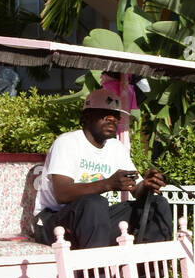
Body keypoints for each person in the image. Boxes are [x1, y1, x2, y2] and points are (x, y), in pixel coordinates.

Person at [33, 87, 173, 248]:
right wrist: (107, 184)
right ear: (87, 116)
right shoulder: (67, 142)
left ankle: (147, 268)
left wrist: (147, 185)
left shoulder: (115, 147)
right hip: (52, 221)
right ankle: (97, 271)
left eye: (116, 117)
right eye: (106, 115)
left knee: (157, 203)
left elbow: (136, 188)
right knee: (94, 203)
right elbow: (62, 194)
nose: (112, 120)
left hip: (92, 220)